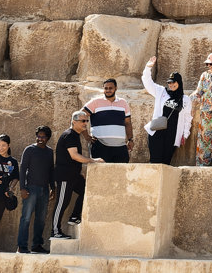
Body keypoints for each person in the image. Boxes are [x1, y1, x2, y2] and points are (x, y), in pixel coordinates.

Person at [50, 113, 95, 244]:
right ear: (74, 122)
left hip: (74, 175)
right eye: (83, 121)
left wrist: (79, 171)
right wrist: (92, 161)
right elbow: (74, 155)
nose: (85, 123)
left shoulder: (76, 135)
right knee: (62, 203)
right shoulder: (69, 135)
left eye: (86, 121)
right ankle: (55, 232)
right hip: (65, 176)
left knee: (85, 191)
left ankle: (75, 216)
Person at [140, 59, 188, 165]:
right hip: (157, 131)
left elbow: (187, 118)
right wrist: (148, 67)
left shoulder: (185, 99)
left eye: (173, 82)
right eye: (169, 82)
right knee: (155, 162)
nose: (171, 85)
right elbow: (147, 82)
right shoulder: (161, 91)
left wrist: (185, 134)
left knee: (166, 163)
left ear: (179, 82)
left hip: (172, 134)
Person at [16, 127, 53, 256]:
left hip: (44, 190)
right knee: (26, 218)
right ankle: (22, 246)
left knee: (41, 219)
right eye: (38, 136)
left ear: (48, 138)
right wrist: (22, 188)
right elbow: (22, 169)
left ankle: (37, 245)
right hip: (30, 189)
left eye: (43, 137)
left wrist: (52, 187)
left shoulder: (49, 152)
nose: (40, 139)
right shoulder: (30, 150)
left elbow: (50, 171)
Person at [84, 78, 131, 163]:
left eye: (110, 88)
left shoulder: (123, 103)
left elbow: (128, 123)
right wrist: (86, 135)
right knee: (100, 174)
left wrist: (130, 139)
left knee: (121, 173)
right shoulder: (95, 102)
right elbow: (80, 116)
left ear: (116, 88)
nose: (108, 90)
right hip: (100, 146)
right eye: (106, 88)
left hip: (120, 147)